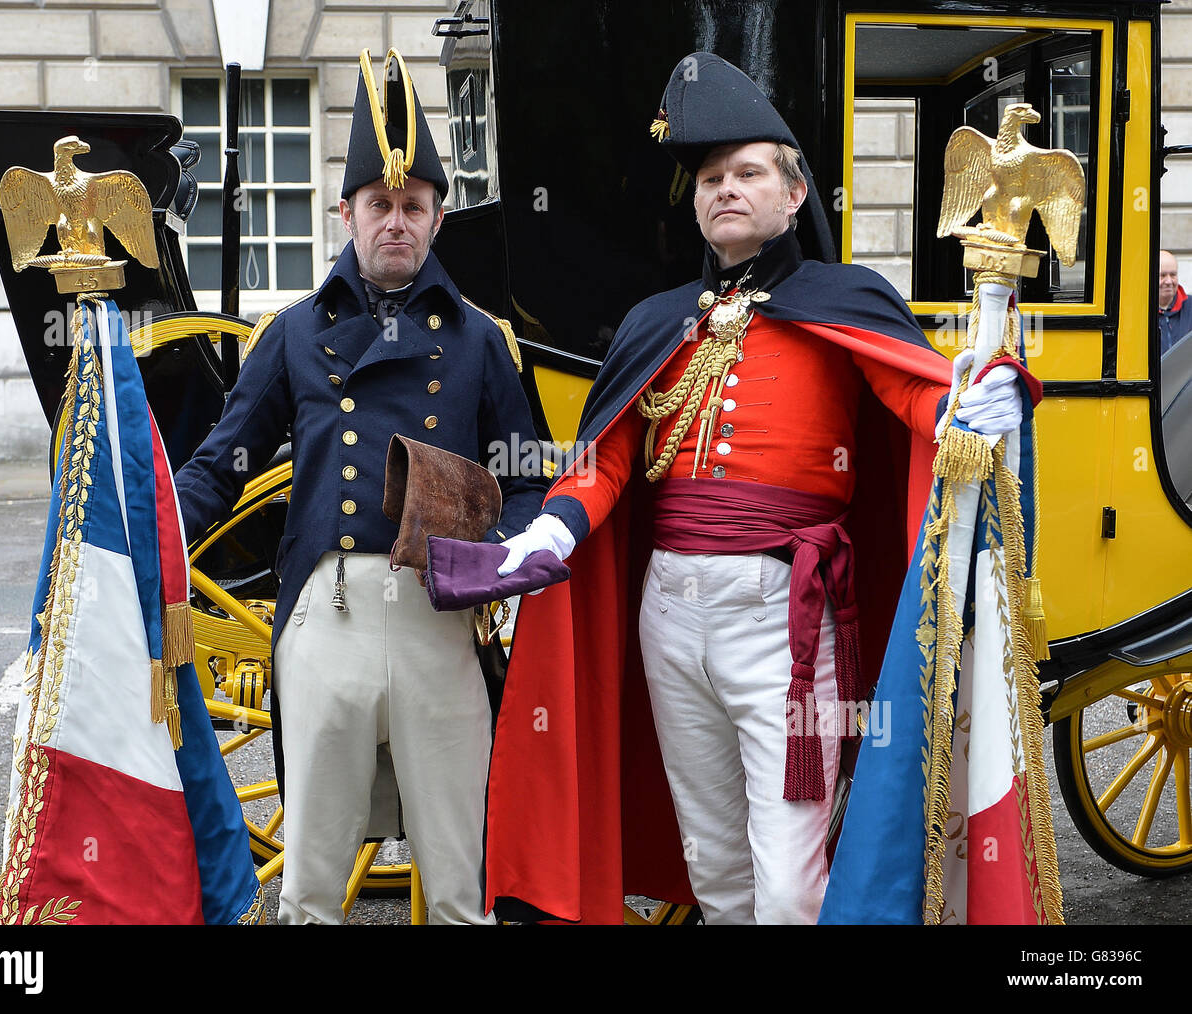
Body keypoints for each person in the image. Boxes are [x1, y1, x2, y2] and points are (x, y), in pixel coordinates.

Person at [483, 52, 1034, 925]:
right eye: (710, 178)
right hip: (667, 612)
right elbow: (610, 458)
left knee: (787, 884)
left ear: (793, 194)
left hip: (790, 617)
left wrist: (983, 395)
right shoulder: (656, 320)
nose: (725, 190)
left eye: (747, 173)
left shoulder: (847, 298)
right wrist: (553, 530)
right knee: (717, 868)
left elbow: (923, 395)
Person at [173, 47, 548, 924]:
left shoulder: (483, 342)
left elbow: (529, 470)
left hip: (439, 620)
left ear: (438, 218)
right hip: (325, 616)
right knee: (309, 881)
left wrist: (503, 556)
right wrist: (154, 536)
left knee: (460, 877)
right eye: (378, 205)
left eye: (412, 207)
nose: (395, 223)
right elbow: (223, 462)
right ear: (346, 213)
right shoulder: (295, 334)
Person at [1159, 249, 1192, 356]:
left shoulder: (1190, 307)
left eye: (1173, 275)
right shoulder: (1138, 311)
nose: (1168, 281)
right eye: (1162, 275)